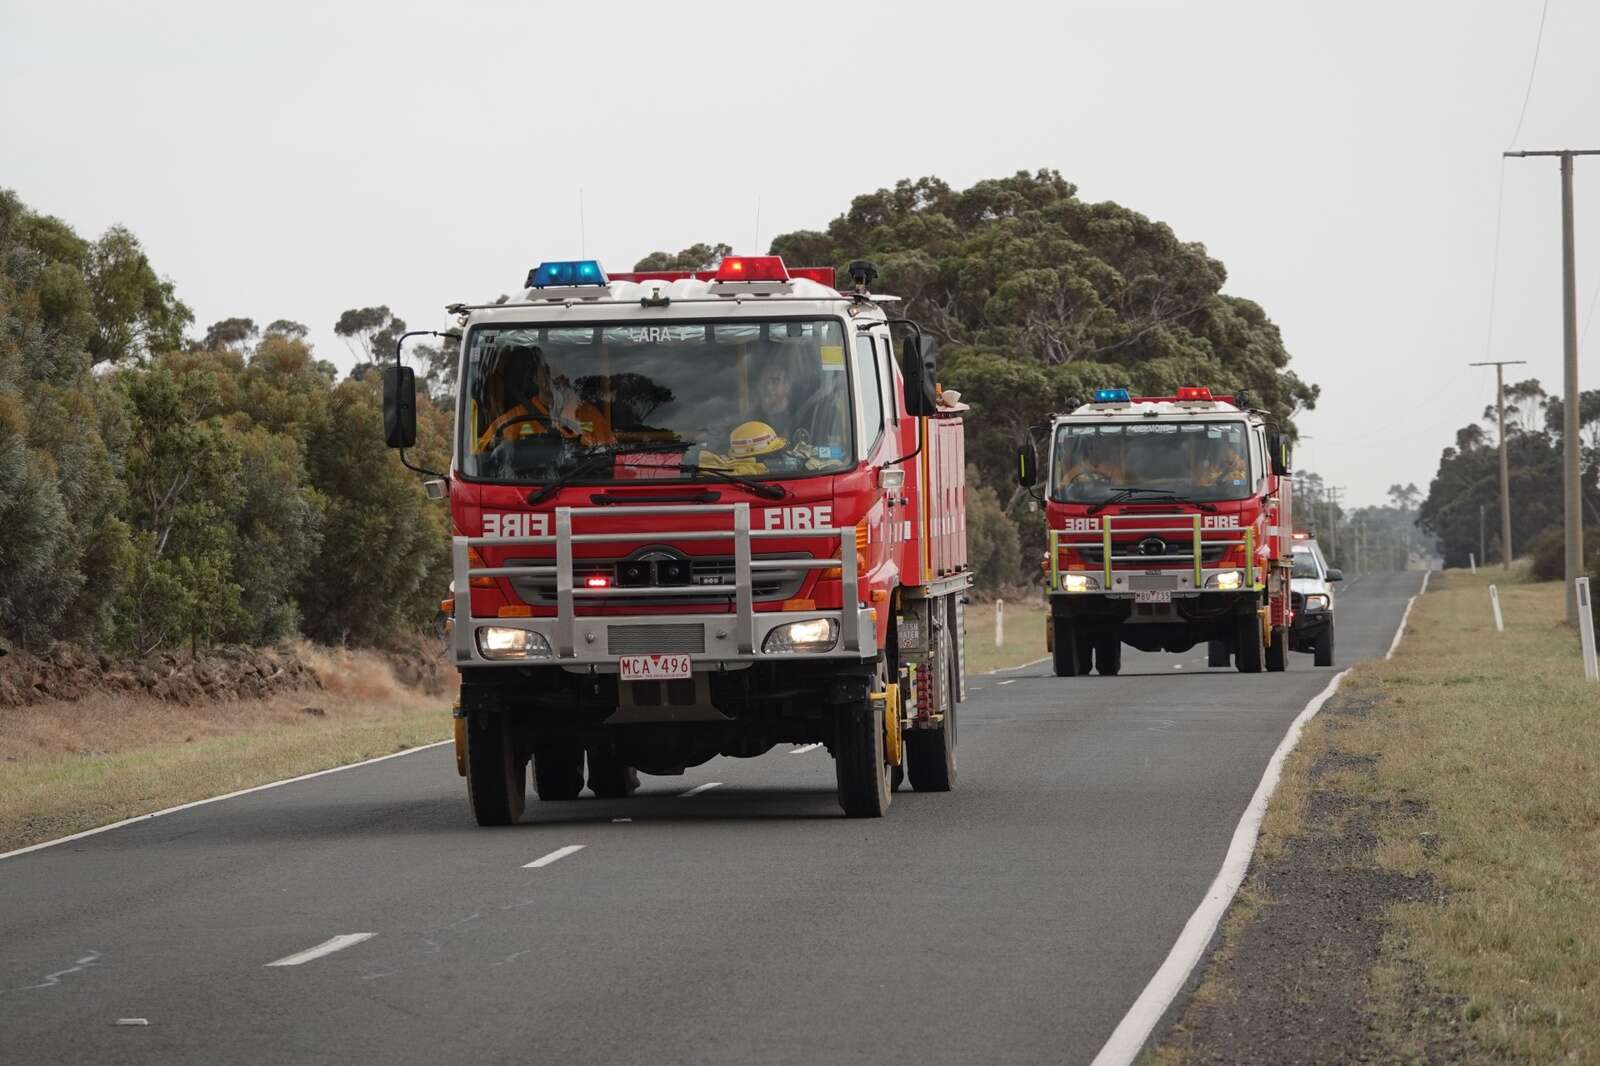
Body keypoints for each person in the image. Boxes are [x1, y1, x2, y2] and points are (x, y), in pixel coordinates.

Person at [475, 343, 612, 451]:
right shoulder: (514, 420)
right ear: (535, 377)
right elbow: (482, 453)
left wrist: (583, 441)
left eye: (561, 369)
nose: (554, 375)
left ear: (568, 376)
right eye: (547, 370)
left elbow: (609, 454)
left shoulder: (589, 415)